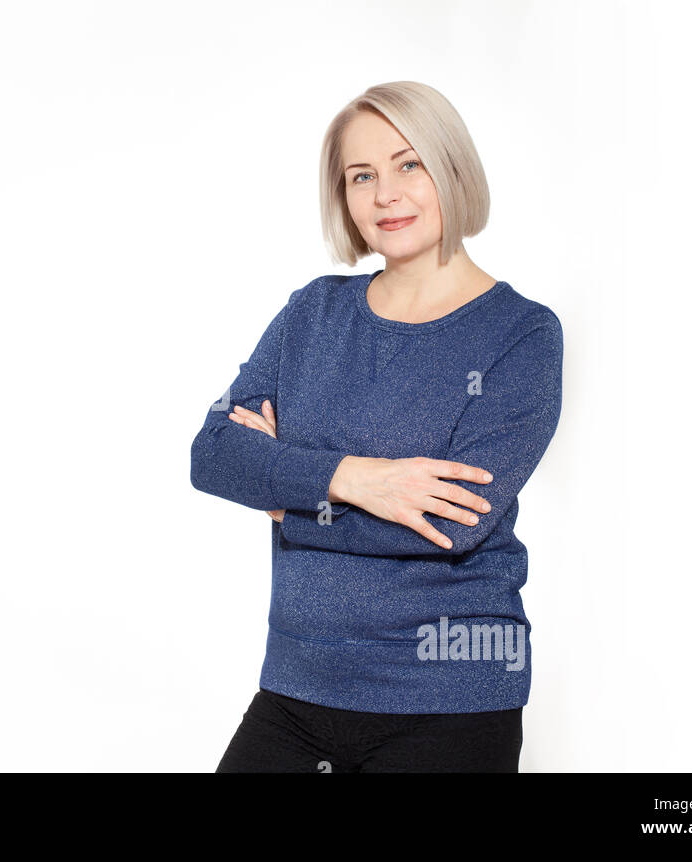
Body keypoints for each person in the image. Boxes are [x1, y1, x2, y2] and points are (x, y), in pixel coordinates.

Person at [189, 81, 564, 773]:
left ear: (451, 168)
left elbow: (453, 522)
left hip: (447, 706)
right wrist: (358, 480)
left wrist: (286, 499)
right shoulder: (312, 314)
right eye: (362, 175)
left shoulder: (521, 334)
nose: (385, 193)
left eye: (408, 163)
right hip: (297, 689)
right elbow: (213, 454)